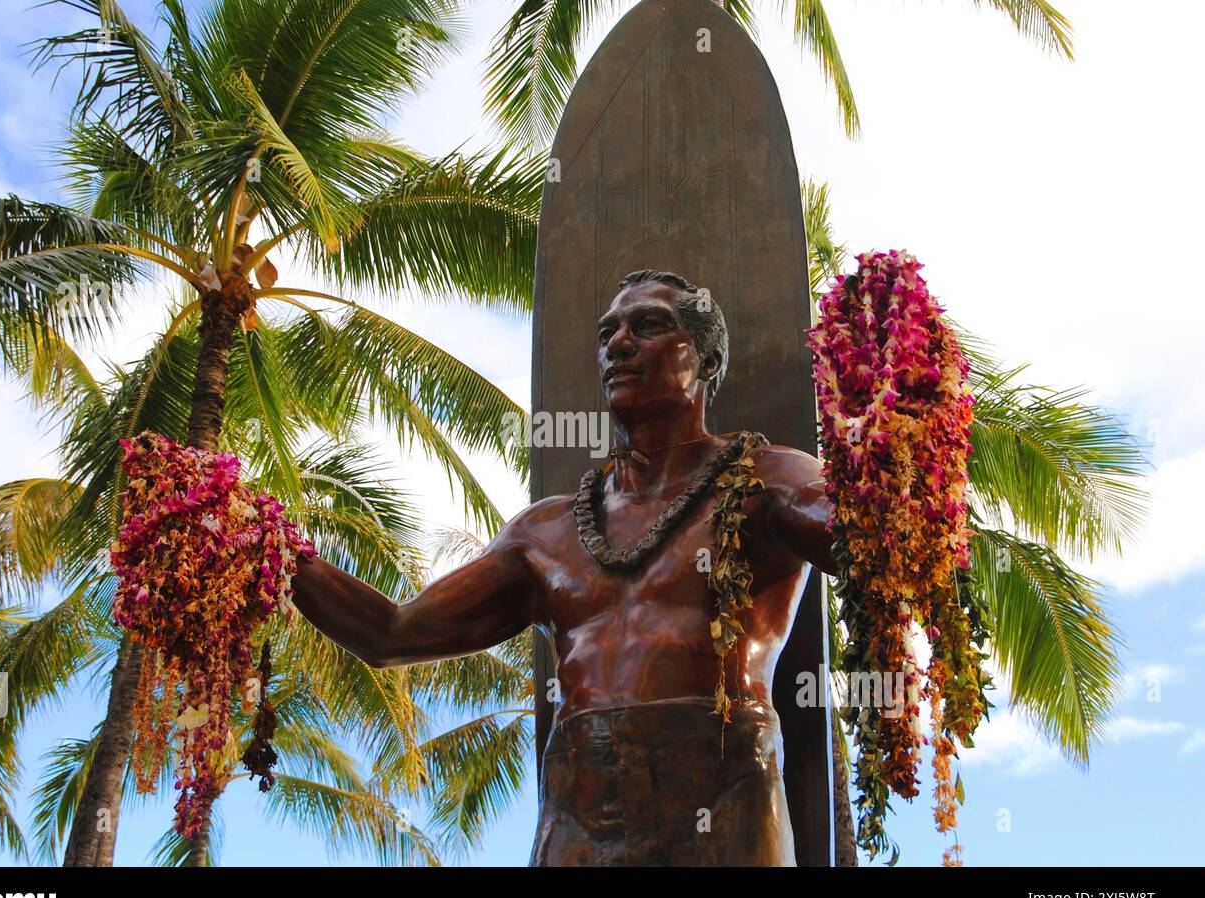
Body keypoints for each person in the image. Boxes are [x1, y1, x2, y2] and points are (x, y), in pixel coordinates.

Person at [291, 269, 838, 865]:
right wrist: (263, 544)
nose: (619, 344)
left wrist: (895, 418)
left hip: (725, 803)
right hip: (578, 819)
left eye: (650, 326)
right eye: (608, 332)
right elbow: (390, 633)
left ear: (706, 360)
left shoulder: (772, 477)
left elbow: (864, 540)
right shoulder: (547, 531)